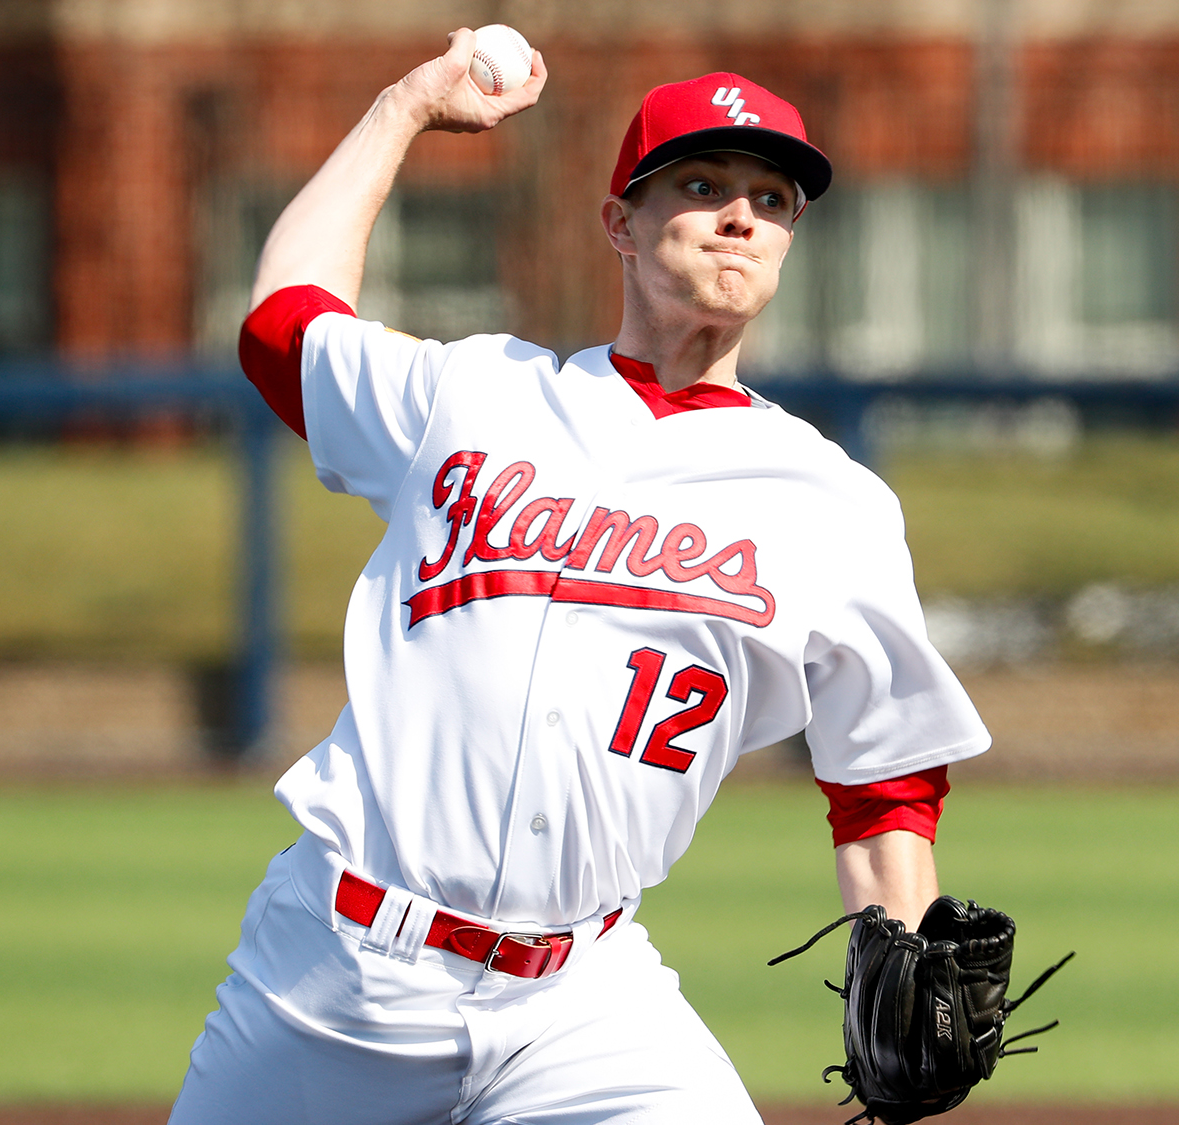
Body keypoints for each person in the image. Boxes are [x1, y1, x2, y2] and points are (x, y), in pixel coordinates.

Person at [168, 28, 990, 1125]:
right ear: (619, 224)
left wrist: (905, 948)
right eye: (700, 185)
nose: (740, 216)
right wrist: (401, 109)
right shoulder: (473, 397)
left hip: (581, 995)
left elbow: (883, 777)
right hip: (341, 968)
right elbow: (283, 324)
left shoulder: (831, 502)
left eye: (771, 199)